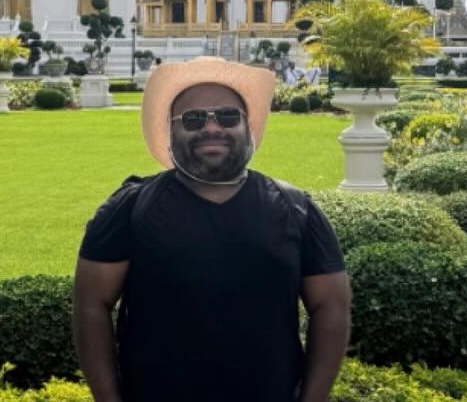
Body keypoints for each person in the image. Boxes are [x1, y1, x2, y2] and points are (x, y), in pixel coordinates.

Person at [74, 58, 350, 402]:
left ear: (247, 127)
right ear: (170, 131)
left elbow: (331, 306)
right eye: (192, 119)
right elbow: (91, 305)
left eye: (227, 116)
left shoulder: (295, 208)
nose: (211, 127)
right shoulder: (130, 209)